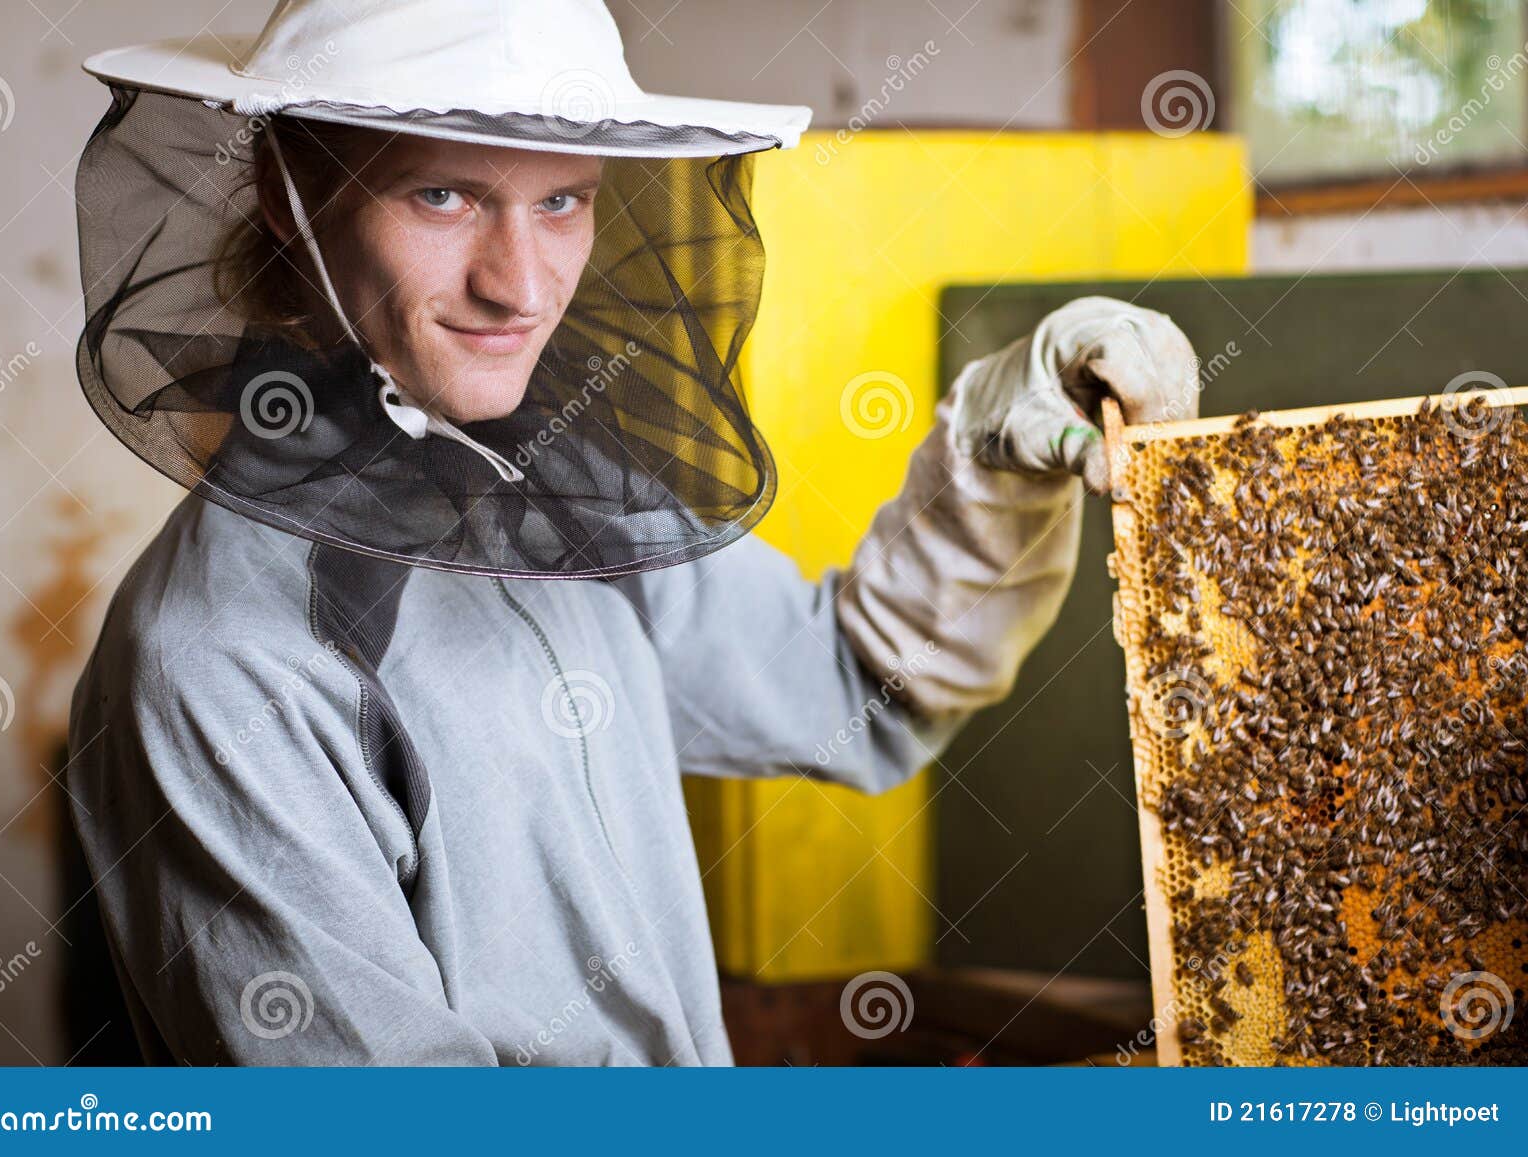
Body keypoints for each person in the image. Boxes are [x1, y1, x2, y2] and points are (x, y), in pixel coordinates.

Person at [67, 0, 1199, 1066]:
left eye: (562, 199)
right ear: (289, 192)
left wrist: (994, 460)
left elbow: (847, 690)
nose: (519, 285)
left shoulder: (560, 487)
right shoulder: (217, 658)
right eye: (443, 195)